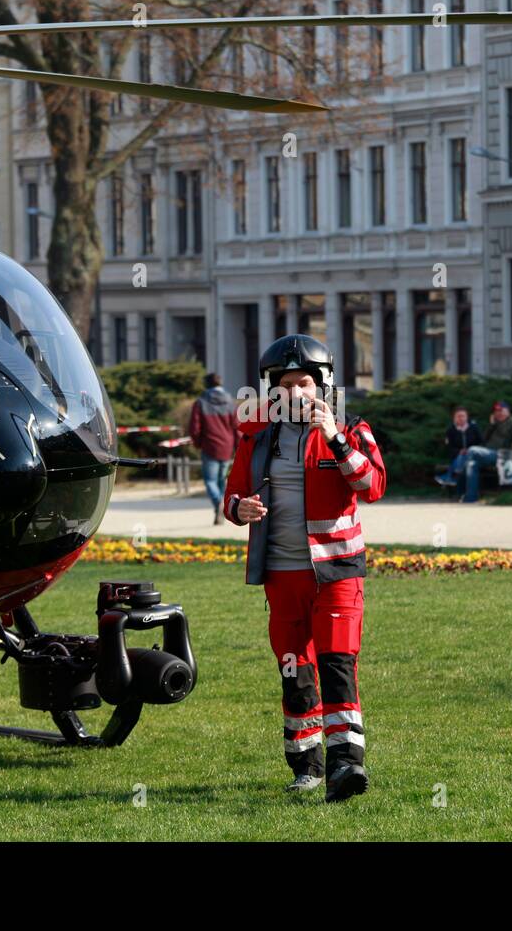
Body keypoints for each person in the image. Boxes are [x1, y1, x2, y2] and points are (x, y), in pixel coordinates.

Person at [222, 334, 386, 803]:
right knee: (296, 670)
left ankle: (346, 764)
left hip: (337, 570)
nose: (296, 393)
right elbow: (231, 498)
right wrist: (241, 508)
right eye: (286, 384)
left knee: (337, 664)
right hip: (282, 572)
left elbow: (371, 484)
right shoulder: (256, 435)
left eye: (305, 383)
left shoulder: (352, 428)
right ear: (271, 388)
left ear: (323, 385)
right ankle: (306, 764)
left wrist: (334, 437)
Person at [188, 372, 239, 524]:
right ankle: (222, 505)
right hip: (227, 447)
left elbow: (194, 428)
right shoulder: (230, 402)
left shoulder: (201, 402)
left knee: (210, 481)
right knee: (221, 480)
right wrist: (238, 446)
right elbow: (237, 427)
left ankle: (218, 503)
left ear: (207, 384)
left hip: (209, 447)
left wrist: (197, 443)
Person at [455, 400, 512, 503]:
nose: (498, 413)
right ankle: (471, 498)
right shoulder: (495, 424)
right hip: (489, 454)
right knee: (471, 464)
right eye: (496, 411)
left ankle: (457, 485)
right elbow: (484, 440)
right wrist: (492, 425)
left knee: (471, 450)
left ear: (507, 411)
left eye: (501, 410)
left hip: (502, 455)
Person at [436, 406, 481, 487]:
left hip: (473, 455)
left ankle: (450, 477)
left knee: (465, 455)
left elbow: (481, 442)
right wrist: (459, 451)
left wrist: (470, 450)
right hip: (457, 456)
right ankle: (453, 477)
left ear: (467, 417)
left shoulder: (474, 428)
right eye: (458, 416)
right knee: (461, 455)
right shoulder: (451, 430)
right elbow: (449, 447)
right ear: (454, 418)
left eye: (463, 416)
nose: (461, 418)